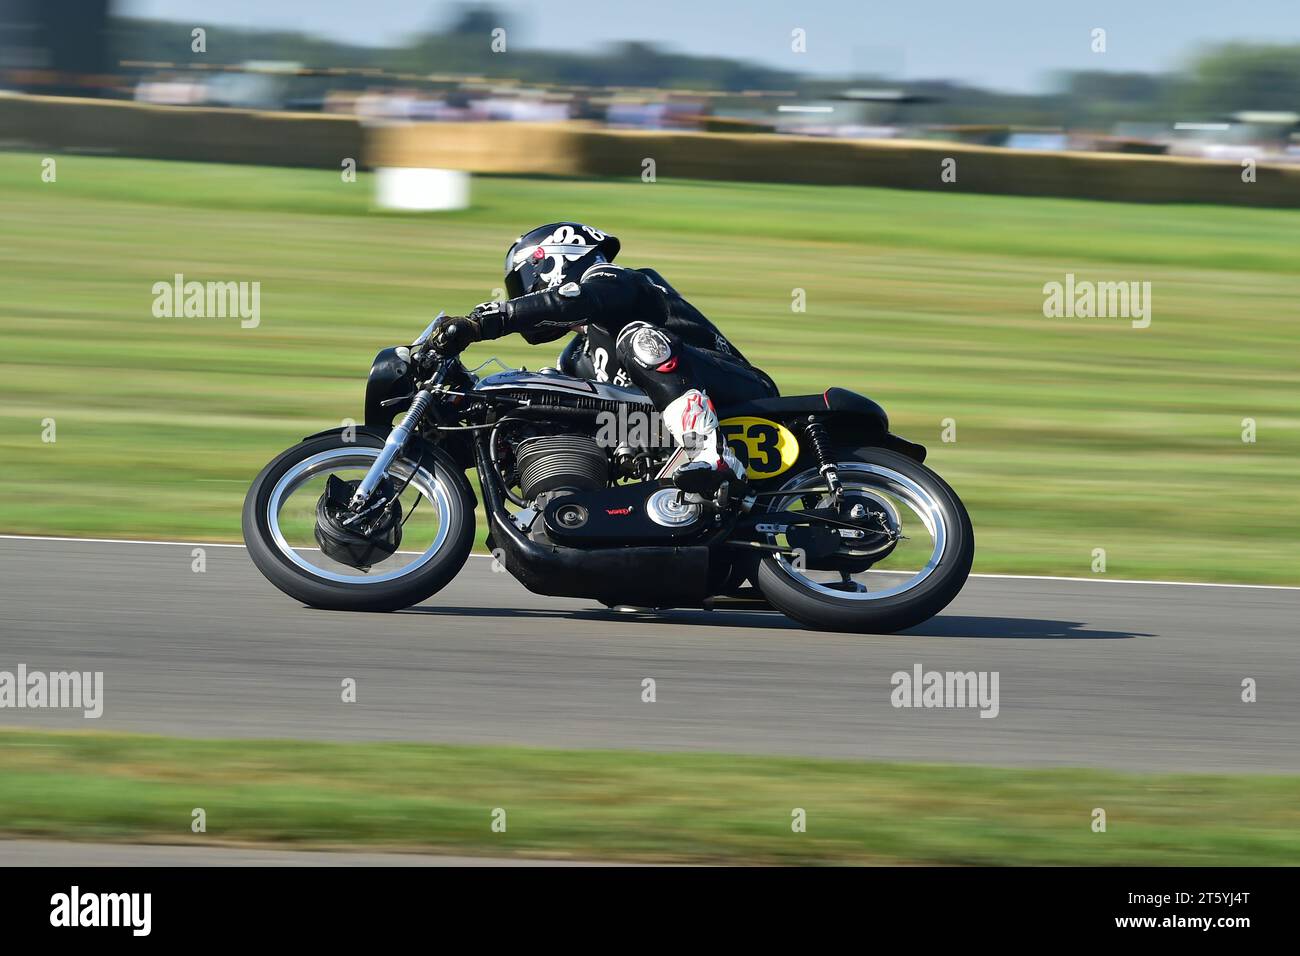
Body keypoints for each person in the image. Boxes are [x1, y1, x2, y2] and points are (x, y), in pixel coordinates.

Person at [426, 222, 778, 494]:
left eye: (525, 283)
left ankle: (711, 455)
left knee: (637, 339)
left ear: (553, 261)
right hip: (663, 441)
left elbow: (575, 299)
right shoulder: (576, 358)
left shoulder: (616, 279)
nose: (523, 295)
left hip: (740, 392)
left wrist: (486, 321)